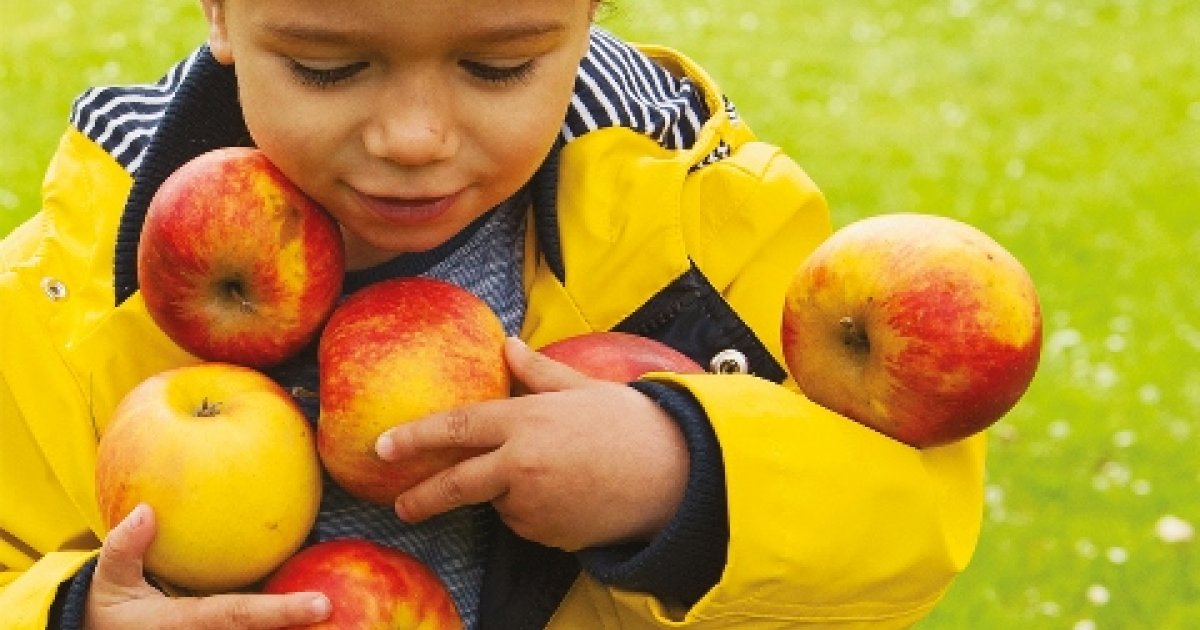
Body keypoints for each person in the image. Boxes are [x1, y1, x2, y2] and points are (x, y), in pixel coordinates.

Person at [0, 0, 987, 628]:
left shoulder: (694, 223)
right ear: (219, 9)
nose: (414, 137)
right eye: (329, 67)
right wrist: (76, 614)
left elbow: (908, 523)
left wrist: (686, 472)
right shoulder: (73, 287)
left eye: (498, 67)